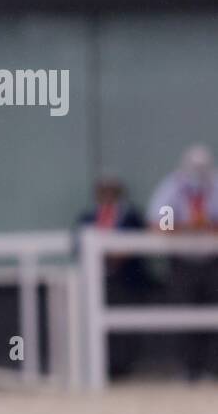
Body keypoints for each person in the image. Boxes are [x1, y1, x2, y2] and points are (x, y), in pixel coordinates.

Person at [148, 145, 218, 379]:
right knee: (184, 314)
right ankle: (189, 369)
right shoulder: (173, 187)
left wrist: (208, 228)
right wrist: (188, 228)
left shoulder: (215, 185)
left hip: (213, 261)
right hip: (182, 262)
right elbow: (159, 224)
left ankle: (213, 368)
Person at [77, 176, 149, 378]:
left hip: (126, 279)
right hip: (97, 278)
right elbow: (77, 244)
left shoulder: (132, 216)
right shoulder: (87, 217)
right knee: (98, 327)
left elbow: (141, 242)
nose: (107, 195)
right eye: (103, 190)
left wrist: (122, 252)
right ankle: (102, 367)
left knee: (126, 325)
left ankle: (125, 367)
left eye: (112, 190)